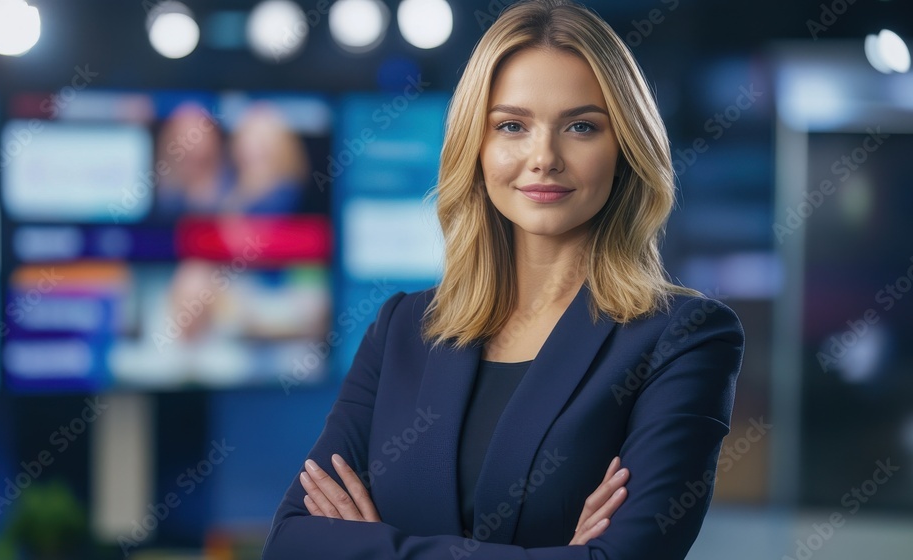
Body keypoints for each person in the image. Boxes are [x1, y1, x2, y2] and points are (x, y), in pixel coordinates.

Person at [261, 0, 745, 558]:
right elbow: (293, 542)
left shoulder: (685, 338)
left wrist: (372, 548)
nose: (544, 157)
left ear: (626, 149)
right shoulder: (402, 329)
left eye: (582, 126)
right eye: (512, 125)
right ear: (477, 145)